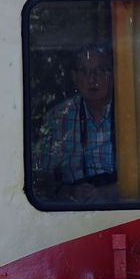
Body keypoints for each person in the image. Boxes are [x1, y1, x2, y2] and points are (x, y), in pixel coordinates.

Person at [33, 46, 118, 202]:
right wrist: (68, 192)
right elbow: (41, 177)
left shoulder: (130, 113)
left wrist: (109, 193)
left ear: (112, 75)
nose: (92, 79)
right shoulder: (58, 117)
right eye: (84, 72)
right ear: (74, 77)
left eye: (99, 71)